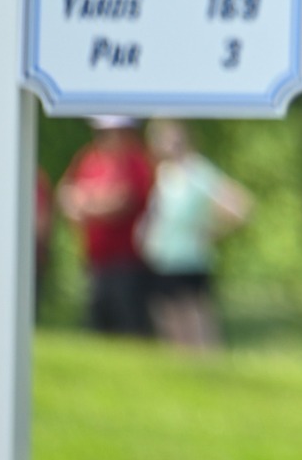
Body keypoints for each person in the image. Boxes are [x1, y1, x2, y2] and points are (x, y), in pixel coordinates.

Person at [138, 119, 253, 351]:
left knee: (194, 317)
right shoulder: (165, 173)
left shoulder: (197, 171)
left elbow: (240, 206)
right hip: (163, 257)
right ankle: (182, 374)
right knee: (168, 317)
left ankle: (207, 368)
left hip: (190, 258)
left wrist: (213, 230)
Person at [57, 115, 157, 337]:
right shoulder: (90, 158)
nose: (107, 138)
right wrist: (95, 202)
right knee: (99, 327)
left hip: (129, 261)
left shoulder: (136, 161)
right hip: (96, 260)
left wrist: (88, 203)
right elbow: (66, 194)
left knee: (130, 328)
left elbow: (123, 202)